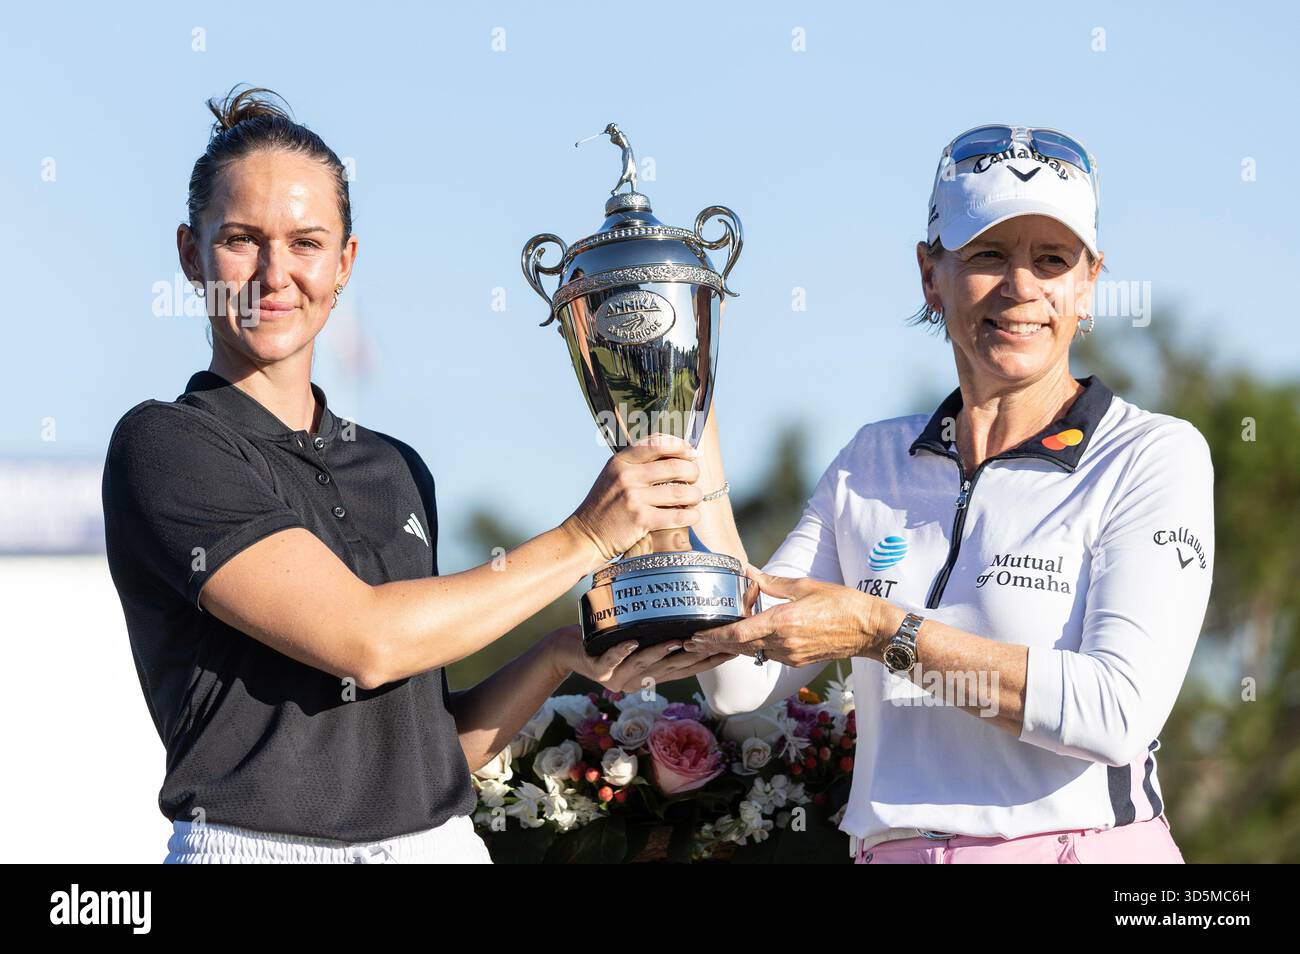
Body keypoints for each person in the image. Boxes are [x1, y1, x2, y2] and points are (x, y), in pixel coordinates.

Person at [101, 85, 732, 864]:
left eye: (305, 242)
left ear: (345, 263)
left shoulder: (397, 468)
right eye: (240, 238)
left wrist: (558, 654)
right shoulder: (164, 446)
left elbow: (423, 754)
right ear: (190, 255)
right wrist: (585, 538)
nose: (274, 273)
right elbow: (366, 641)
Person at [685, 124, 1214, 863]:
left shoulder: (1153, 455)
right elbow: (740, 682)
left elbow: (1115, 713)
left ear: (1090, 283)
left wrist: (885, 633)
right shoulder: (871, 458)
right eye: (989, 254)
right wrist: (686, 423)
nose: (1022, 287)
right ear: (930, 274)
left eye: (1052, 259)